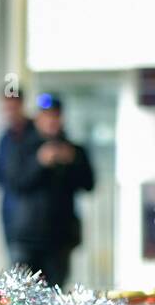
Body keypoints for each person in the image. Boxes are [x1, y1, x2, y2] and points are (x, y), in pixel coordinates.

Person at [6, 94, 95, 289]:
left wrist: (72, 162)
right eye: (47, 116)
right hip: (26, 238)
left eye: (55, 116)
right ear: (38, 118)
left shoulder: (74, 150)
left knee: (55, 294)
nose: (51, 121)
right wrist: (39, 162)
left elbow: (89, 185)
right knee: (21, 295)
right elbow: (15, 183)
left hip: (59, 239)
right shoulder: (21, 148)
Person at [0, 85, 36, 260]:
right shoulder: (4, 139)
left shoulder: (36, 135)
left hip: (38, 224)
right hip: (13, 222)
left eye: (14, 104)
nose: (10, 110)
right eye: (7, 105)